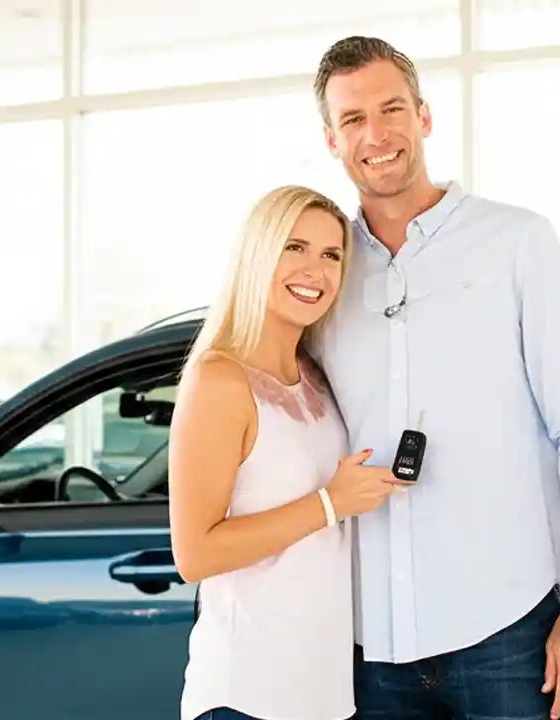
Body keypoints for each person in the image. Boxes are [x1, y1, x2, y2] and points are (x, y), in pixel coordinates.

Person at [307, 37, 560, 720]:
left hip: (506, 631)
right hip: (365, 646)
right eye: (354, 119)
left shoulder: (518, 242)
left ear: (423, 117)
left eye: (392, 108)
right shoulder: (323, 269)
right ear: (332, 140)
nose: (376, 134)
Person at [168, 185, 411, 720]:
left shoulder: (316, 377)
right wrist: (330, 503)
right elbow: (195, 554)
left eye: (331, 255)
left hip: (322, 698)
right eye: (294, 247)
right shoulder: (219, 379)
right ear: (258, 254)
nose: (315, 271)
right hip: (246, 697)